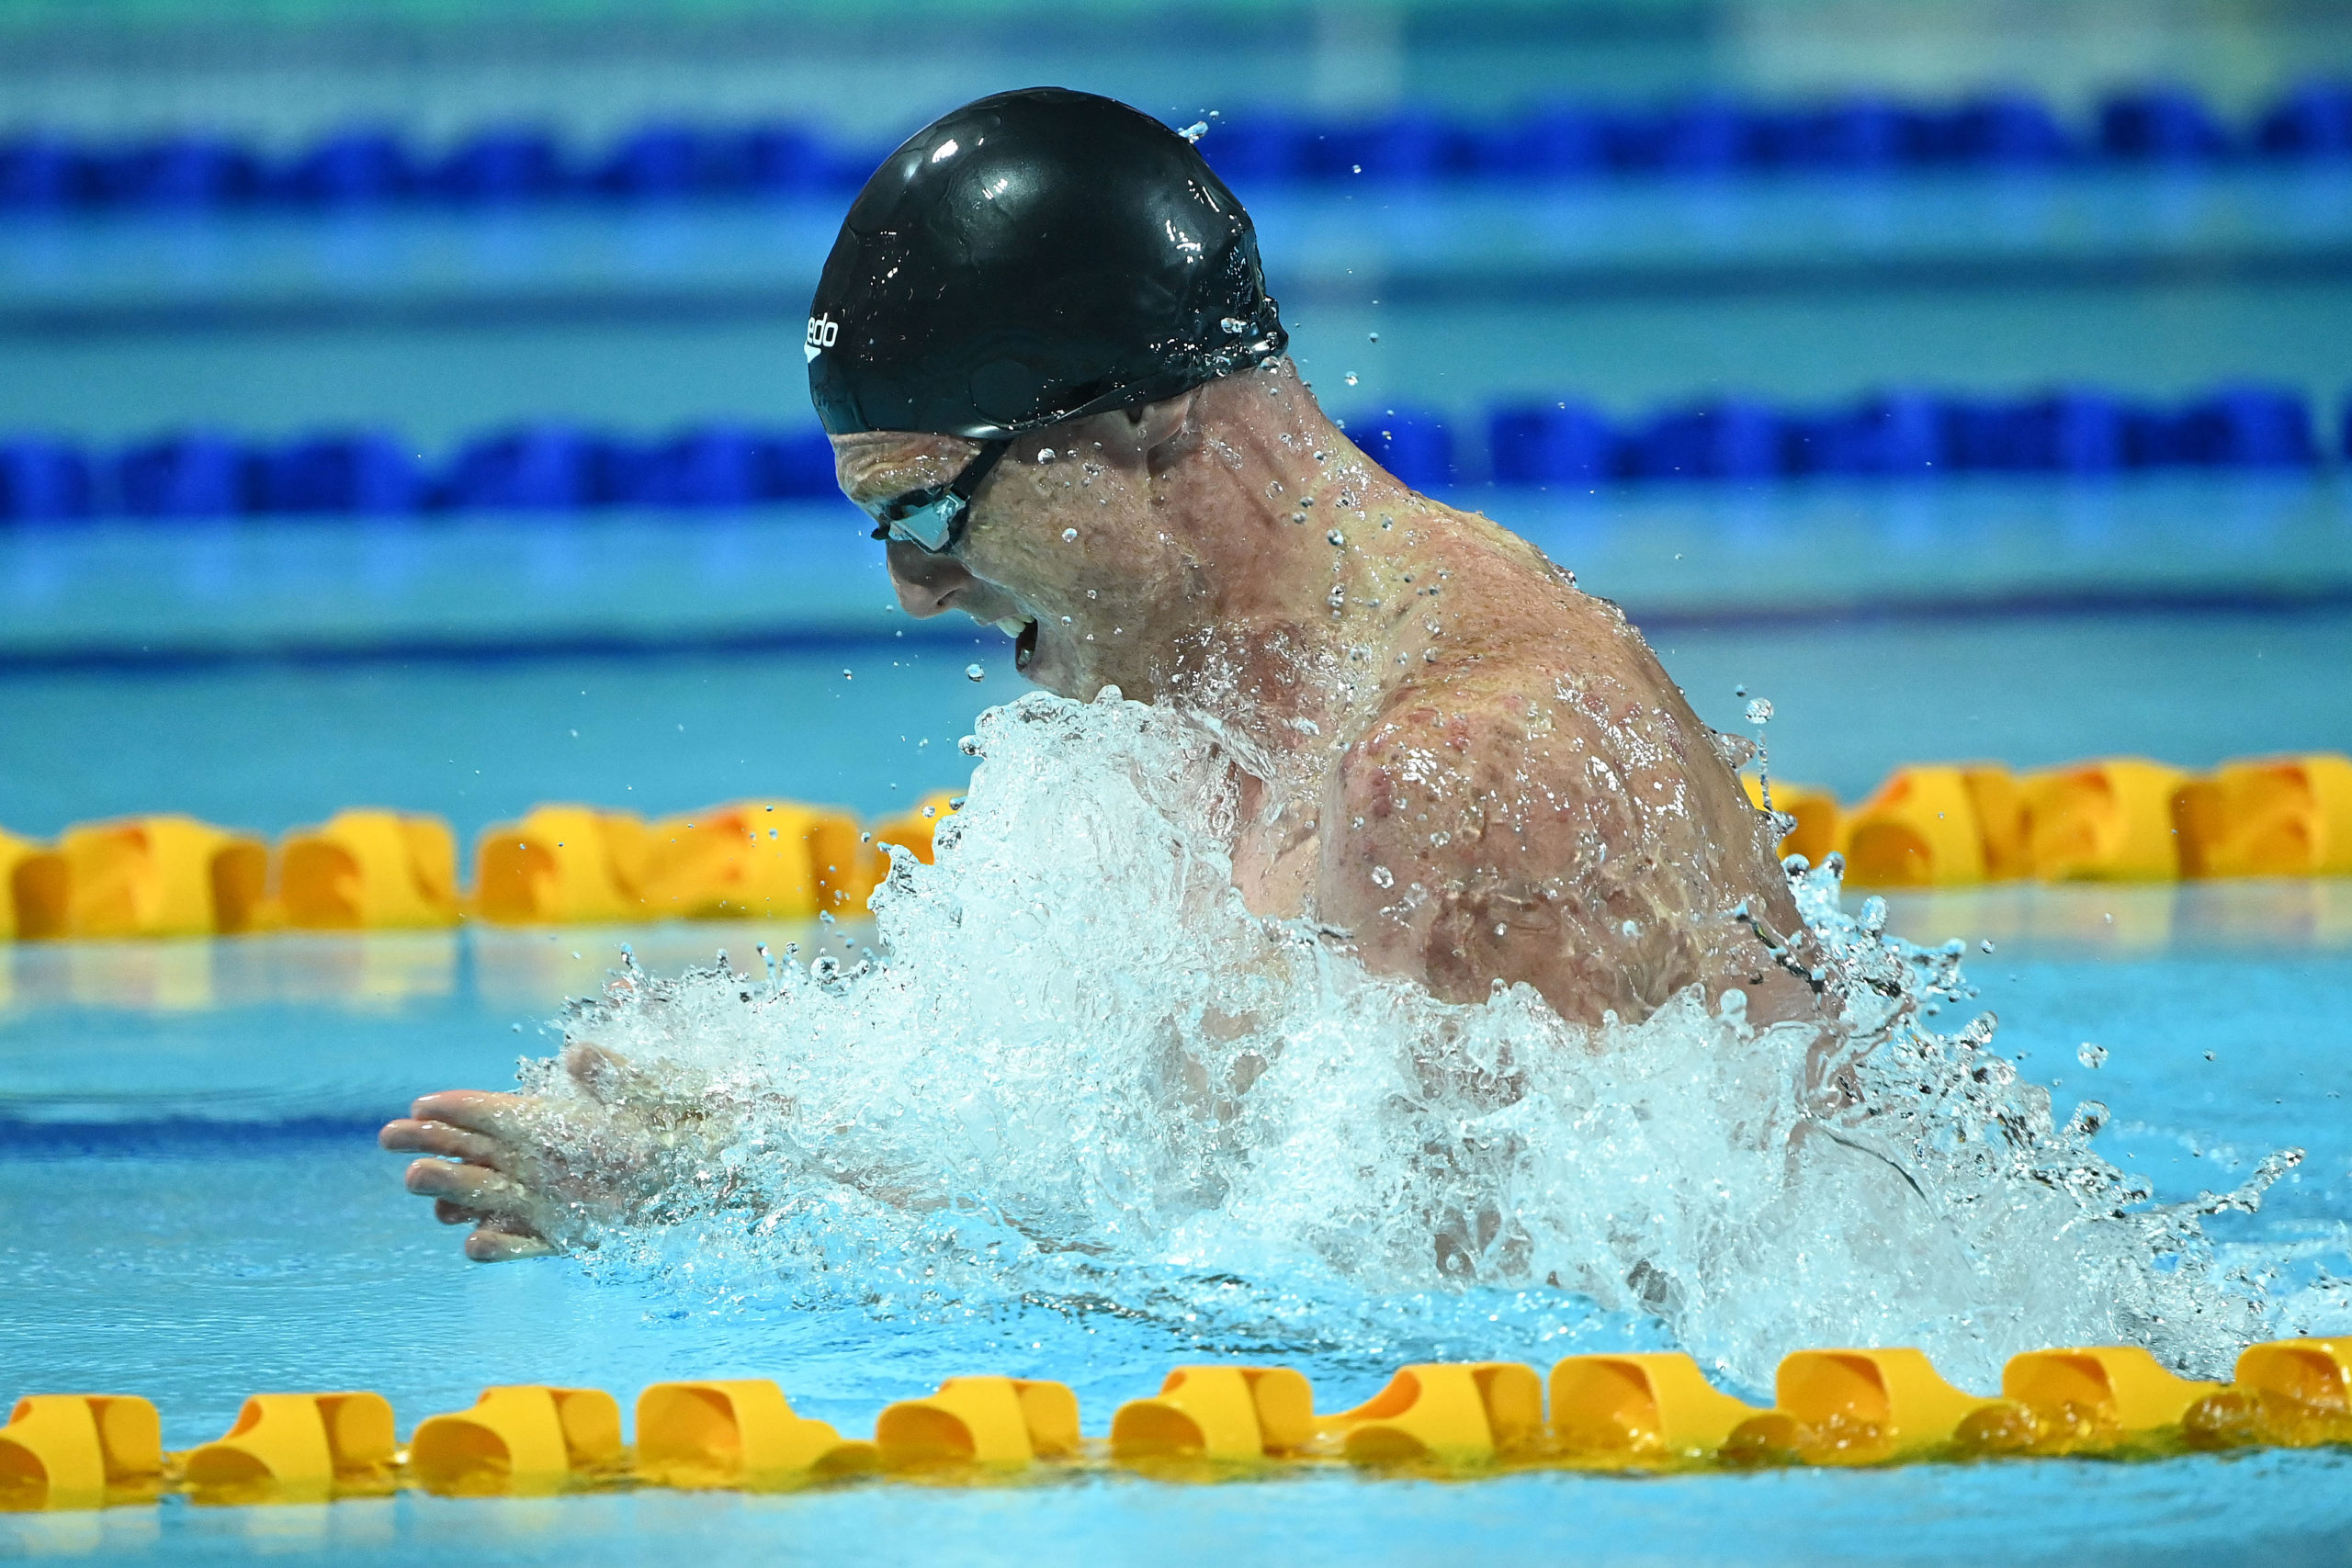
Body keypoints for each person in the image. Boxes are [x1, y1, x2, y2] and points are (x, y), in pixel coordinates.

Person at [384, 87, 1824, 1261]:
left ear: (1135, 425)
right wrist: (742, 1142)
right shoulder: (1194, 707)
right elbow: (1175, 1164)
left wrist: (754, 1217)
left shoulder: (1453, 776)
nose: (913, 585)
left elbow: (1470, 1349)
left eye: (932, 509)